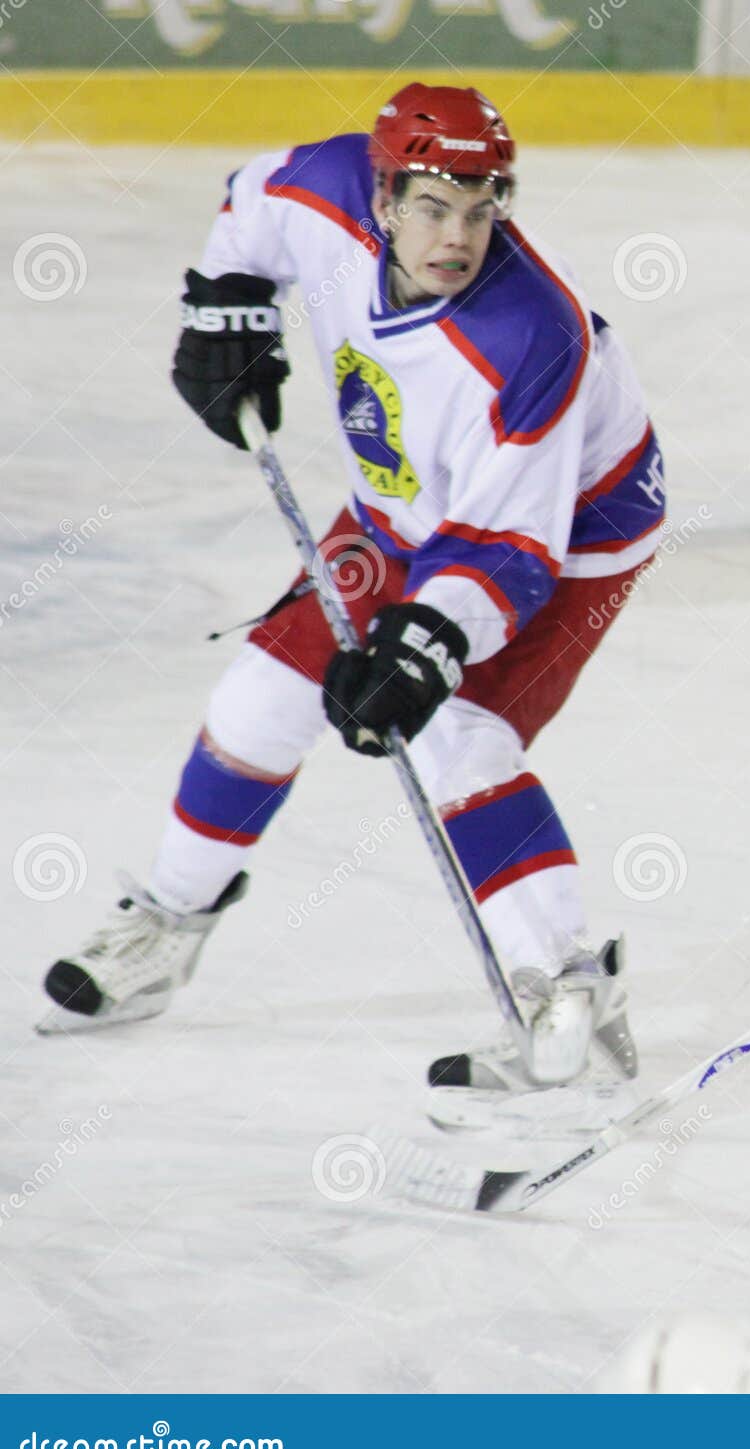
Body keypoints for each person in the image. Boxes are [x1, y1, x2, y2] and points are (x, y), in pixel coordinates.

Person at [40, 83, 666, 1097]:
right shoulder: (328, 185)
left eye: (479, 208)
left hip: (568, 532)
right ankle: (163, 926)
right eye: (431, 207)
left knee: (458, 737)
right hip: (396, 510)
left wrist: (425, 641)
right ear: (381, 196)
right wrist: (224, 305)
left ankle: (569, 1003)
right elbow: (251, 205)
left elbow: (510, 543)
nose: (456, 236)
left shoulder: (527, 339)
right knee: (257, 699)